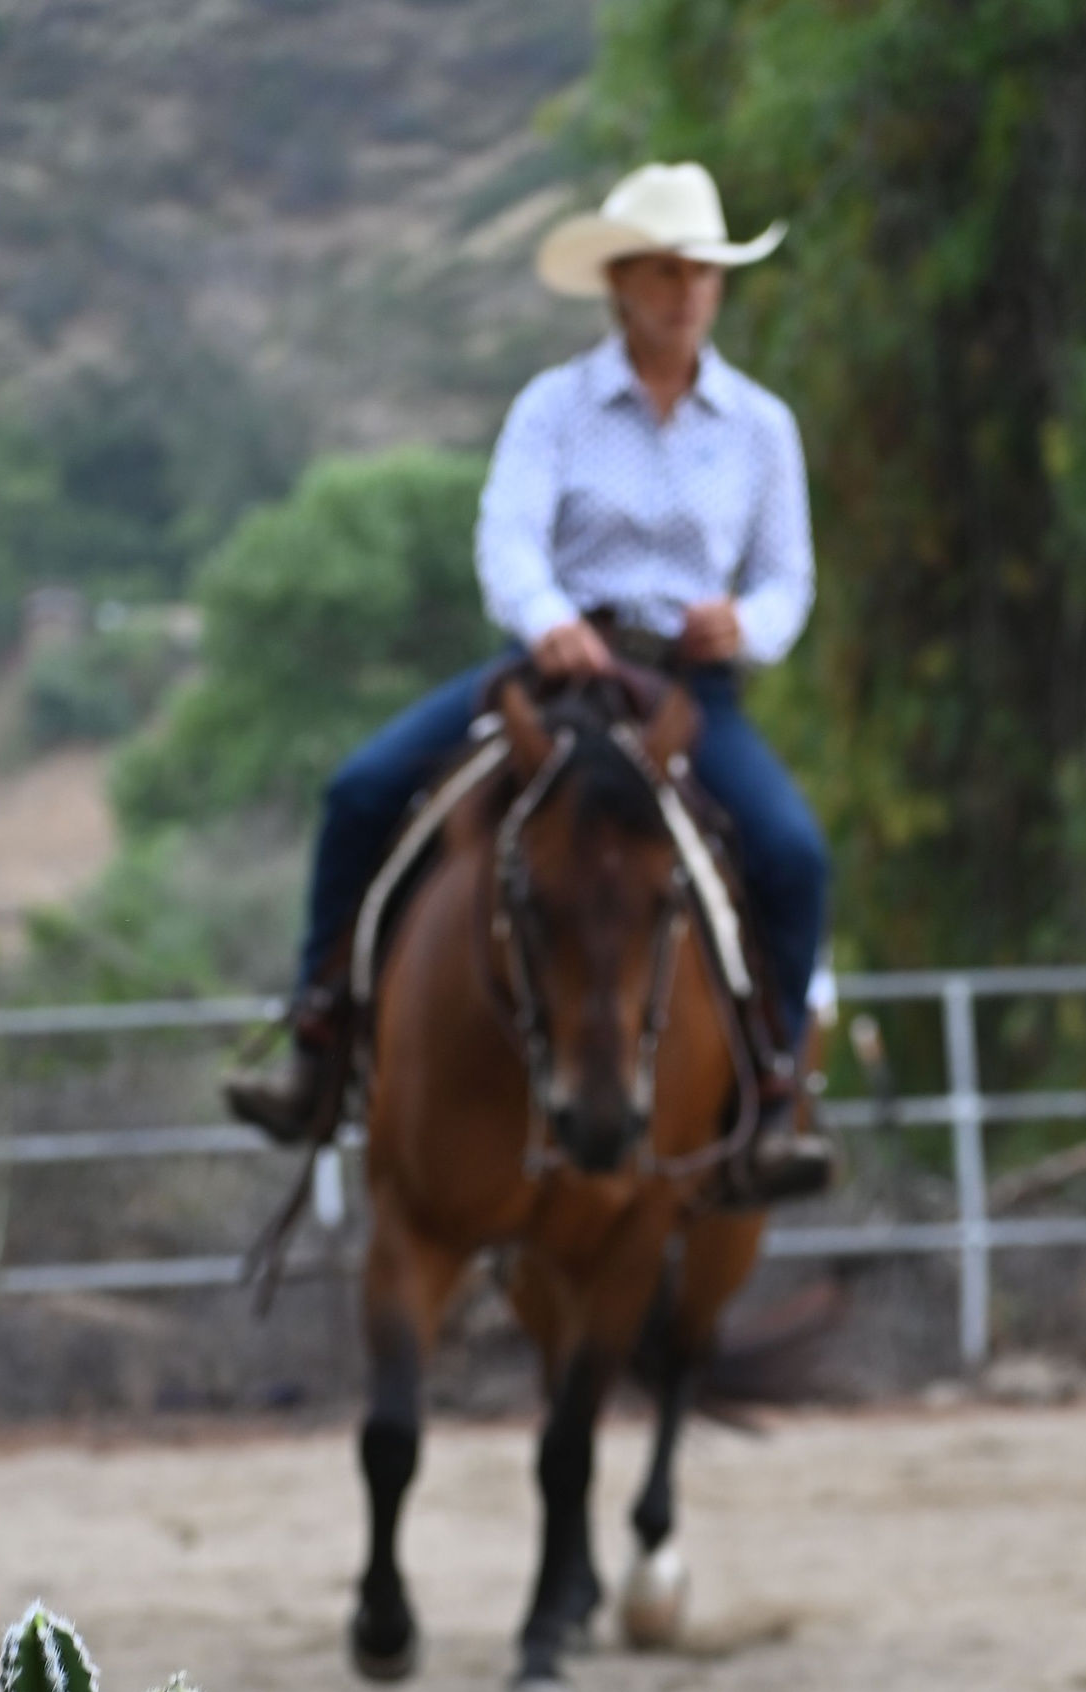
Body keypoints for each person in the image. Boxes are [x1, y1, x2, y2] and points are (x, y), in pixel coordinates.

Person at [226, 161, 832, 1199]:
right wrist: (548, 618)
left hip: (687, 690)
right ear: (620, 285)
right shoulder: (555, 408)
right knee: (362, 789)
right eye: (664, 272)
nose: (687, 293)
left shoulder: (760, 428)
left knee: (791, 850)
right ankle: (318, 1040)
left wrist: (746, 624)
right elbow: (507, 535)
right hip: (557, 670)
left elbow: (788, 577)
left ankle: (772, 1095)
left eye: (703, 273)